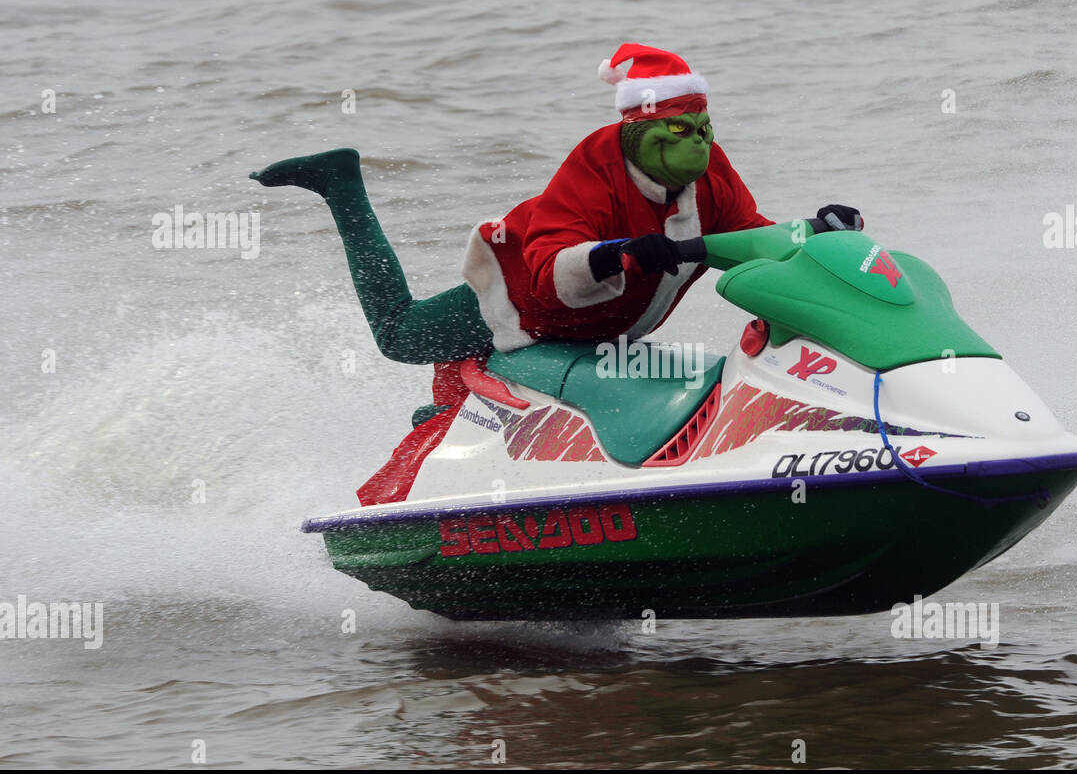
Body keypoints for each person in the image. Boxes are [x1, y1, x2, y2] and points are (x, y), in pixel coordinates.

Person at [251, 43, 859, 503]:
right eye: (680, 130)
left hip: (599, 331)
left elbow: (752, 239)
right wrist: (623, 253)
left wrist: (815, 232)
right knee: (399, 335)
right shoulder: (595, 166)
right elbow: (549, 271)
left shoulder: (712, 173)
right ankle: (341, 186)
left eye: (704, 130)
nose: (697, 144)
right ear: (639, 131)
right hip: (517, 305)